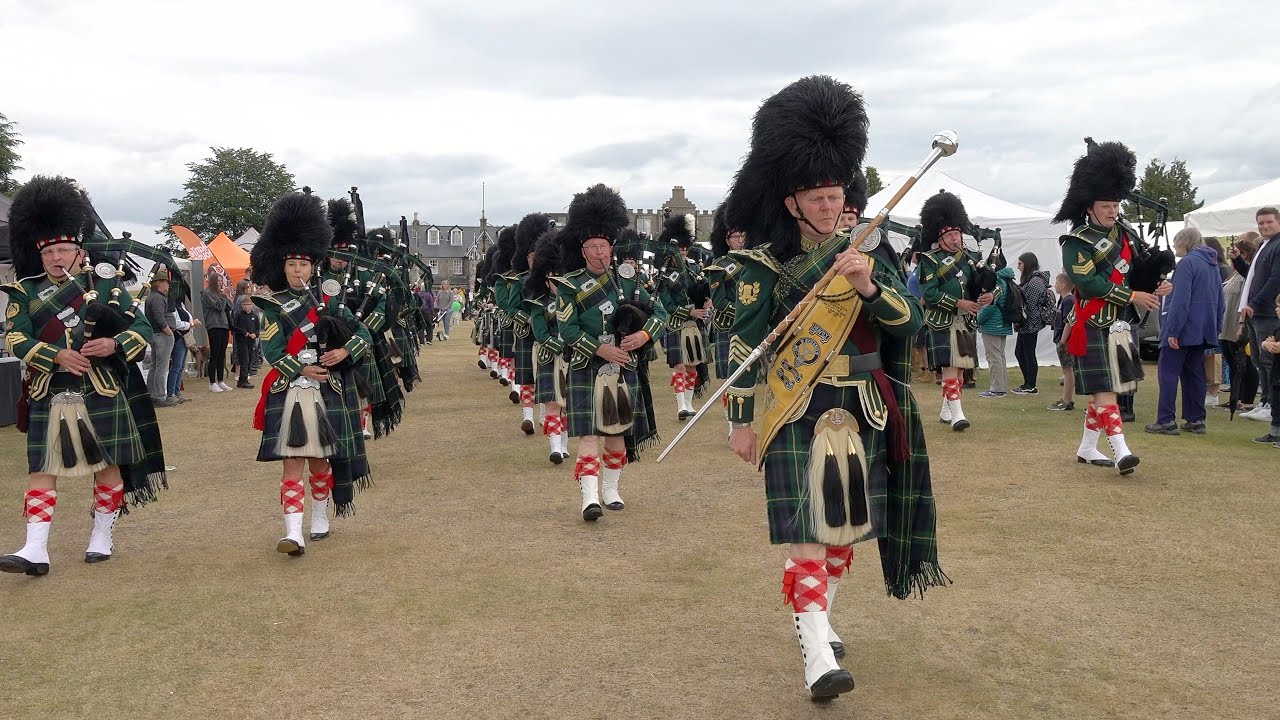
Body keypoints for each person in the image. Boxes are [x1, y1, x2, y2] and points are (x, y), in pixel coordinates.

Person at [724, 76, 946, 700]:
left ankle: (818, 616)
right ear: (792, 201)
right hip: (798, 408)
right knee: (807, 534)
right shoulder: (761, 268)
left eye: (836, 196)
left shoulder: (868, 256)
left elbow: (912, 322)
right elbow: (740, 350)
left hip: (863, 409)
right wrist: (740, 421)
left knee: (843, 533)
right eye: (818, 198)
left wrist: (870, 287)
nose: (829, 207)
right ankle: (817, 652)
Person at [0, 176, 162, 576]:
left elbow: (141, 330)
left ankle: (101, 535)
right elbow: (16, 338)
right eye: (50, 251)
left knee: (106, 466)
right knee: (43, 468)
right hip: (50, 390)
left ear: (79, 251)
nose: (57, 258)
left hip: (99, 388)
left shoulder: (107, 286)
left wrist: (114, 345)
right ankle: (35, 549)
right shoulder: (24, 292)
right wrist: (56, 356)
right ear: (39, 254)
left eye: (65, 250)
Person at [249, 191, 373, 557]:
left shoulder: (330, 302)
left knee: (320, 461)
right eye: (291, 265)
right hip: (291, 388)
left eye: (302, 265)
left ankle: (319, 517)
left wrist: (344, 350)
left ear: (313, 266)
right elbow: (270, 350)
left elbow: (364, 334)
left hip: (328, 389)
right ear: (282, 267)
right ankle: (292, 532)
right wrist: (300, 367)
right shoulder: (270, 305)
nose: (297, 271)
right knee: (291, 462)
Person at [1056, 139, 1171, 473]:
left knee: (1109, 387)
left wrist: (1154, 284)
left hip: (1120, 323)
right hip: (1092, 322)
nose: (1112, 210)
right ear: (1089, 206)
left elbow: (1134, 270)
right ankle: (1121, 451)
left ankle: (1088, 448)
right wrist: (1132, 296)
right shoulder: (1076, 241)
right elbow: (1089, 283)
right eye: (1105, 204)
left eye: (1115, 204)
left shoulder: (1126, 234)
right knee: (1106, 388)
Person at [556, 184, 668, 523]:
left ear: (611, 246)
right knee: (589, 435)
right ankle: (589, 497)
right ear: (583, 249)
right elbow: (567, 330)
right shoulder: (571, 285)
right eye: (592, 247)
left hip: (624, 368)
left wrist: (643, 335)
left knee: (617, 436)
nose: (599, 253)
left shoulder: (630, 281)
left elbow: (661, 313)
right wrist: (601, 348)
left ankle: (611, 490)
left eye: (603, 246)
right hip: (586, 366)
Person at [918, 191, 992, 431]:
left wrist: (990, 295)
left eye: (957, 234)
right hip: (942, 320)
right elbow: (929, 293)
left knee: (959, 371)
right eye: (949, 235)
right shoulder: (929, 260)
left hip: (966, 322)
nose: (955, 239)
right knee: (951, 367)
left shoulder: (970, 258)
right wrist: (958, 303)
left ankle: (945, 410)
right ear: (939, 239)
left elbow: (992, 284)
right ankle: (958, 415)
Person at [1144, 229, 1224, 435]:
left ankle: (1166, 419)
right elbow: (1219, 299)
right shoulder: (1211, 264)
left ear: (1183, 242)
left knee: (1168, 373)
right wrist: (1215, 327)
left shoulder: (1187, 263)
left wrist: (1172, 331)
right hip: (1202, 328)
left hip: (1184, 328)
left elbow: (1180, 301)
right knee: (1194, 373)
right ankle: (1196, 418)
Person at [656, 213, 710, 421]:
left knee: (692, 365)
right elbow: (666, 303)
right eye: (680, 248)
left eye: (686, 247)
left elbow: (702, 291)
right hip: (676, 323)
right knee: (679, 365)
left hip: (695, 324)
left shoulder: (696, 268)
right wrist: (689, 311)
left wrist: (706, 300)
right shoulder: (664, 273)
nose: (683, 251)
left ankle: (688, 402)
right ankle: (680, 405)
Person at [524, 227, 569, 463]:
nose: (556, 283)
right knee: (552, 403)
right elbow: (540, 333)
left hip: (572, 355)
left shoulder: (573, 299)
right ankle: (555, 448)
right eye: (552, 278)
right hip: (548, 355)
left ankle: (564, 441)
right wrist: (558, 345)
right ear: (545, 277)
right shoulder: (538, 302)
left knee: (568, 405)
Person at [511, 213, 554, 434]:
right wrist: (526, 318)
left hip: (549, 334)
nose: (532, 259)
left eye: (536, 255)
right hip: (527, 334)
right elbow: (510, 307)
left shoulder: (552, 280)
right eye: (529, 256)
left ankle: (545, 417)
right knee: (528, 377)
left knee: (547, 378)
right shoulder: (519, 281)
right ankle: (527, 416)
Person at [1240, 207, 1280, 421]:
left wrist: (1254, 302)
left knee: (1268, 361)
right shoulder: (1265, 245)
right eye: (1261, 223)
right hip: (1257, 312)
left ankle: (1272, 404)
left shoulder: (1278, 246)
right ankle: (1265, 400)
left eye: (1269, 222)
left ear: (1278, 222)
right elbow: (1253, 276)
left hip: (1268, 313)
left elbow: (1275, 280)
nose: (1264, 226)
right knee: (1257, 358)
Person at [1223, 234, 1260, 412]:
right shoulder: (1235, 274)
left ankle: (1247, 400)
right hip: (1228, 322)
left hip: (1238, 321)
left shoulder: (1247, 274)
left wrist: (1241, 323)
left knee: (1245, 362)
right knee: (1233, 362)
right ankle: (1236, 397)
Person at [1010, 253, 1051, 395]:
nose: (1018, 267)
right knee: (1021, 353)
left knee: (1028, 354)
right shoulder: (1033, 280)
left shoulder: (1034, 282)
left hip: (1030, 323)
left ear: (1027, 264)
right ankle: (1027, 383)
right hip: (1026, 323)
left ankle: (1031, 385)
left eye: (1020, 264)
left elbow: (1030, 304)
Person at [977, 265, 1016, 398]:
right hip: (1002, 323)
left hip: (992, 325)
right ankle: (1001, 386)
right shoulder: (1006, 280)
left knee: (993, 357)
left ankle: (997, 389)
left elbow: (990, 306)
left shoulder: (996, 281)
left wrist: (978, 317)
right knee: (1000, 356)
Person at [145, 267, 177, 406]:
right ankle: (159, 396)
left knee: (155, 366)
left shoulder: (152, 296)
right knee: (161, 367)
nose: (168, 285)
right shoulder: (157, 297)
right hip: (161, 334)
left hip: (156, 334)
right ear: (160, 283)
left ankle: (152, 395)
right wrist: (168, 331)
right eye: (166, 282)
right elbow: (159, 317)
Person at [1047, 273, 1077, 411]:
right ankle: (1065, 398)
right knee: (1066, 370)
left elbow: (1068, 322)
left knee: (1067, 371)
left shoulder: (1069, 300)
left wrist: (1063, 341)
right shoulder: (1063, 300)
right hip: (1061, 339)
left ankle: (1066, 400)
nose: (1055, 285)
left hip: (1065, 341)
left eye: (1057, 282)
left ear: (1063, 285)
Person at [1254, 298, 1280, 446]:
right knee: (1276, 403)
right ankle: (1274, 433)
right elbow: (1269, 342)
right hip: (1277, 374)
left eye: (1279, 307)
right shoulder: (1278, 328)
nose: (1276, 310)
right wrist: (1266, 344)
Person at [201, 273, 233, 392]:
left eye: (221, 280)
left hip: (224, 325)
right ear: (213, 281)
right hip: (214, 325)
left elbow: (230, 306)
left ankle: (221, 380)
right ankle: (212, 382)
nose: (221, 282)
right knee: (214, 354)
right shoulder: (207, 293)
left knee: (222, 354)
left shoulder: (219, 294)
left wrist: (227, 296)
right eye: (219, 280)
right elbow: (219, 306)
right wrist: (224, 296)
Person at [167, 295, 200, 403]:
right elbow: (176, 323)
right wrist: (191, 324)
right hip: (178, 338)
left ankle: (177, 392)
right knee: (176, 366)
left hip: (185, 337)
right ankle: (171, 393)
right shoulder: (172, 306)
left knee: (180, 366)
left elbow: (187, 318)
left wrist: (192, 323)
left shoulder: (181, 305)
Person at [230, 295, 260, 388]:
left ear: (251, 305)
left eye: (248, 304)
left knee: (250, 359)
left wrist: (255, 334)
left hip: (251, 341)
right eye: (244, 304)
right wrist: (244, 333)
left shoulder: (254, 316)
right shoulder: (239, 315)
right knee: (244, 360)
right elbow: (234, 327)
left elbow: (258, 328)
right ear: (241, 305)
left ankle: (243, 379)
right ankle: (243, 380)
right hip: (242, 340)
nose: (246, 306)